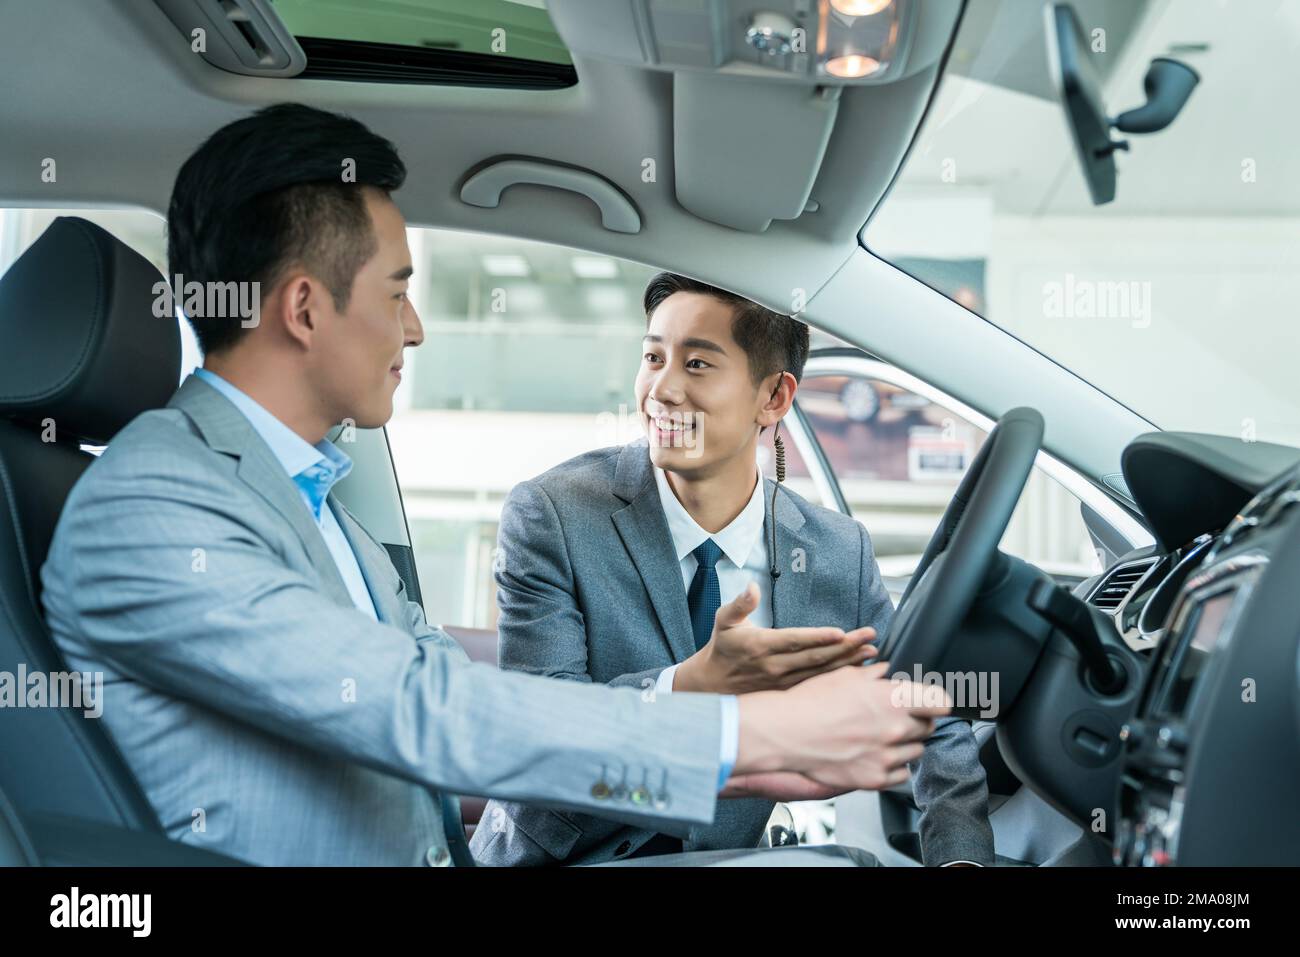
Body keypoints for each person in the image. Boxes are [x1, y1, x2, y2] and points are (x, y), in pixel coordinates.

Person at [37, 103, 950, 866]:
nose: (419, 327)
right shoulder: (151, 504)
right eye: (397, 292)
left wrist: (730, 745)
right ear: (306, 307)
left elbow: (430, 684)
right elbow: (418, 707)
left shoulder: (319, 511)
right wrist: (760, 739)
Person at [472, 274, 995, 866]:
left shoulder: (835, 552)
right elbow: (538, 729)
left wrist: (959, 858)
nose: (660, 390)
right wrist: (690, 685)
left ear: (773, 397)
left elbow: (926, 712)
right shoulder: (554, 516)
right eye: (653, 357)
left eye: (696, 364)